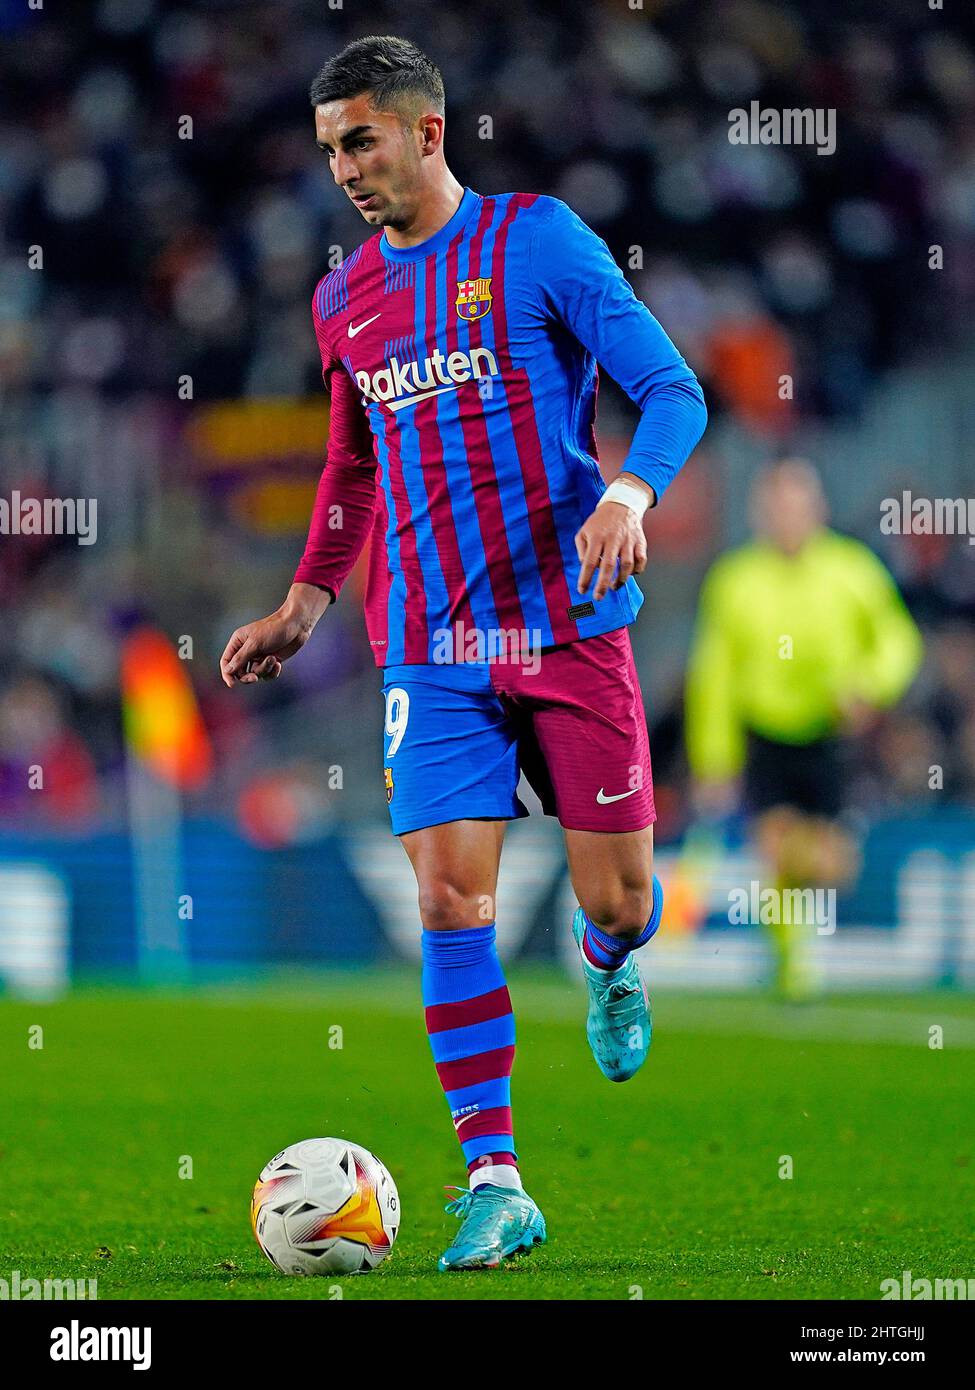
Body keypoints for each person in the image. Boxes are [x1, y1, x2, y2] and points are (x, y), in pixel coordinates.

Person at [221, 35, 707, 1271]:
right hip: (429, 649)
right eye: (331, 147)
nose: (343, 169)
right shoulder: (343, 302)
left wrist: (630, 497)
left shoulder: (537, 242)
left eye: (362, 140)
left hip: (568, 627)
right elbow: (349, 470)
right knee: (449, 898)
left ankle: (608, 963)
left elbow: (674, 389)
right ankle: (496, 1176)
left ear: (428, 132)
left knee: (624, 899)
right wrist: (303, 605)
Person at [685, 458, 923, 1000]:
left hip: (830, 736)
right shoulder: (734, 581)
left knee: (827, 864)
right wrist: (714, 760)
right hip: (766, 735)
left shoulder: (852, 570)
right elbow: (713, 677)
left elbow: (898, 641)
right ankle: (792, 964)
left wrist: (871, 686)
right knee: (778, 849)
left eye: (797, 505)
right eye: (777, 506)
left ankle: (795, 941)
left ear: (818, 508)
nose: (787, 517)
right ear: (760, 513)